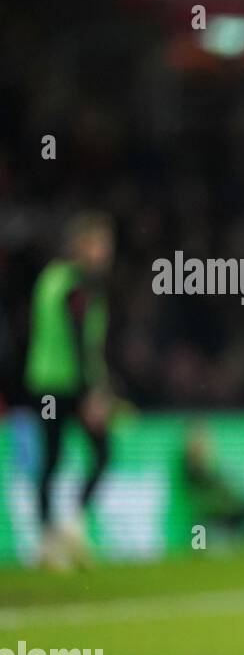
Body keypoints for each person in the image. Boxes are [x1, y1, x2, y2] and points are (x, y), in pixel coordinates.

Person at [26, 211, 116, 570]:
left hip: (44, 383)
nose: (104, 253)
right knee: (99, 452)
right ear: (80, 245)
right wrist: (93, 390)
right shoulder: (76, 285)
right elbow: (78, 338)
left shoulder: (51, 279)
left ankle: (52, 538)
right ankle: (67, 529)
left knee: (52, 459)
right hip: (66, 384)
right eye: (99, 245)